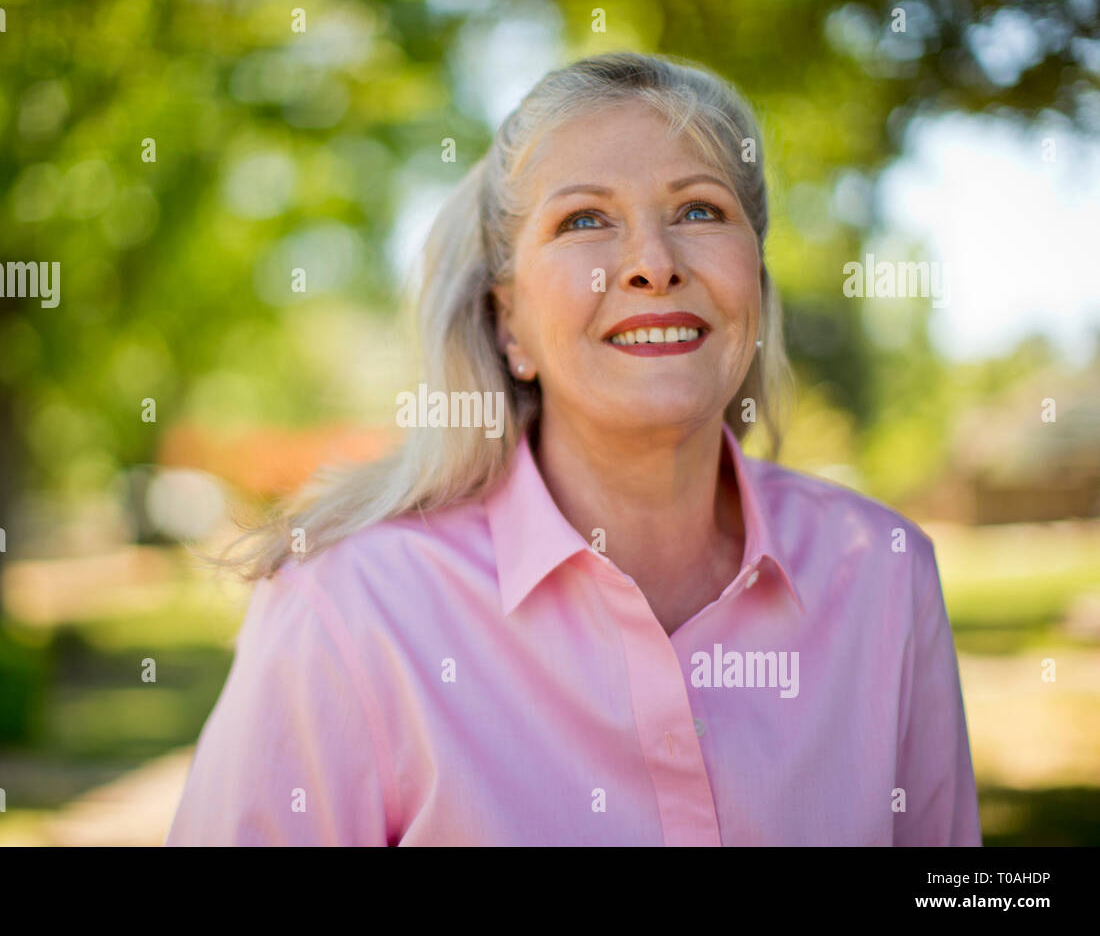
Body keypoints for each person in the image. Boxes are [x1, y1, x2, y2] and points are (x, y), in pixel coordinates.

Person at [166, 51, 981, 846]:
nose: (653, 265)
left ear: (756, 285)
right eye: (584, 220)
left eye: (700, 210)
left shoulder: (882, 572)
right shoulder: (349, 610)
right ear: (509, 320)